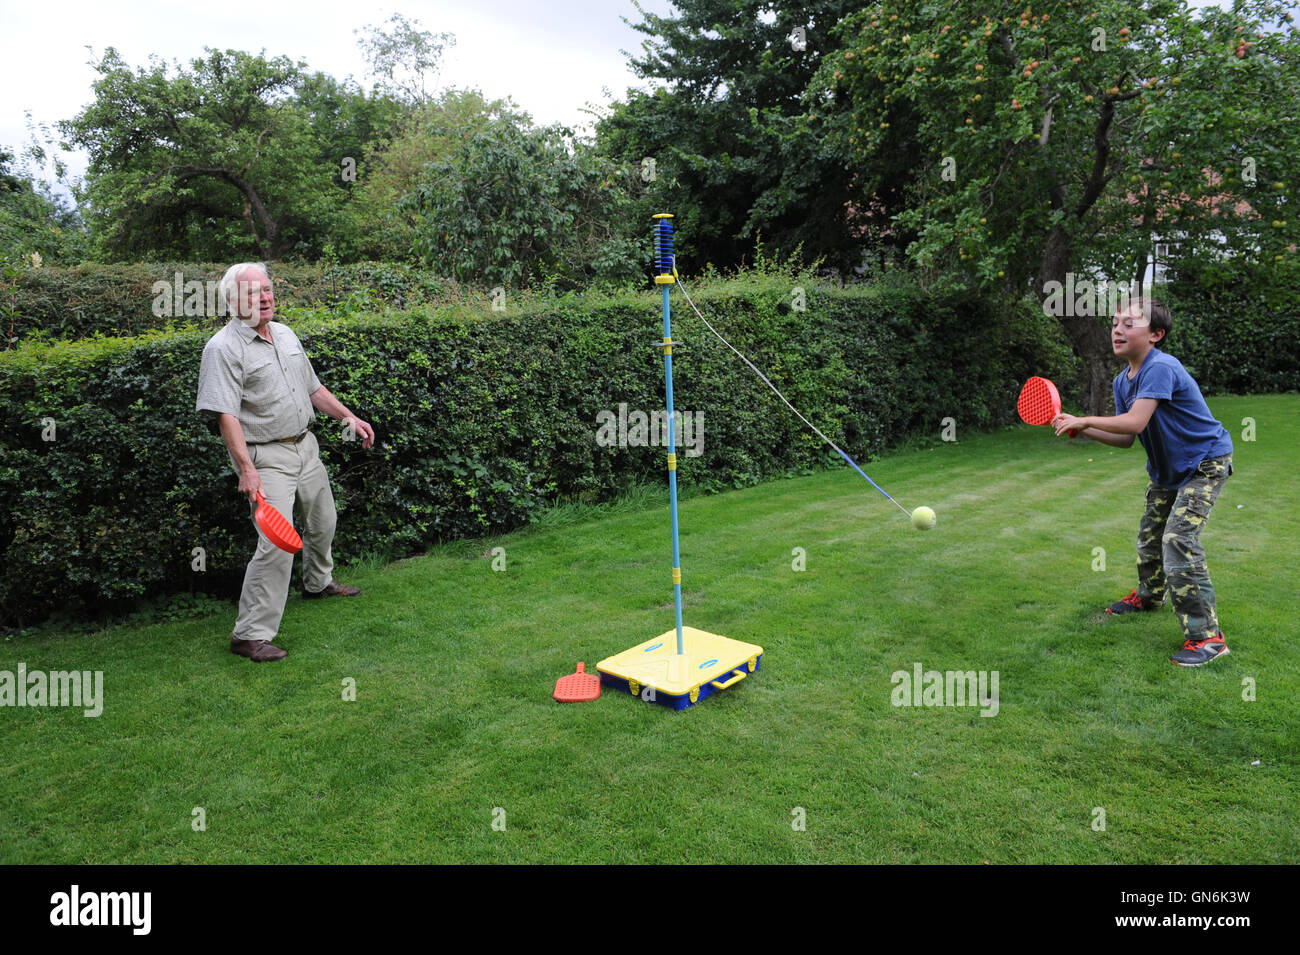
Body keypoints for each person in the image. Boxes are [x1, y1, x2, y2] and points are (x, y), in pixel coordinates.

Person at [196, 263, 375, 662]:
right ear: (231, 302)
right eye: (252, 293)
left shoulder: (286, 334)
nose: (264, 297)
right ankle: (248, 635)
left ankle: (318, 582)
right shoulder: (222, 349)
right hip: (266, 456)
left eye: (267, 289)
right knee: (276, 544)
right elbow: (226, 415)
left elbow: (312, 387)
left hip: (305, 446)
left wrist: (348, 417)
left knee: (323, 520)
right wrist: (246, 469)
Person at [1052, 295, 1234, 667]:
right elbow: (1125, 437)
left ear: (1155, 334)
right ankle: (1150, 596)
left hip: (1205, 463)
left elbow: (1134, 422)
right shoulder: (1123, 380)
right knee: (1150, 536)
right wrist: (1083, 431)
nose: (1118, 329)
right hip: (1167, 471)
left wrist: (1086, 419)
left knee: (1178, 539)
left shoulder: (1161, 367)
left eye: (1129, 323)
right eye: (1115, 322)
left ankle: (1209, 638)